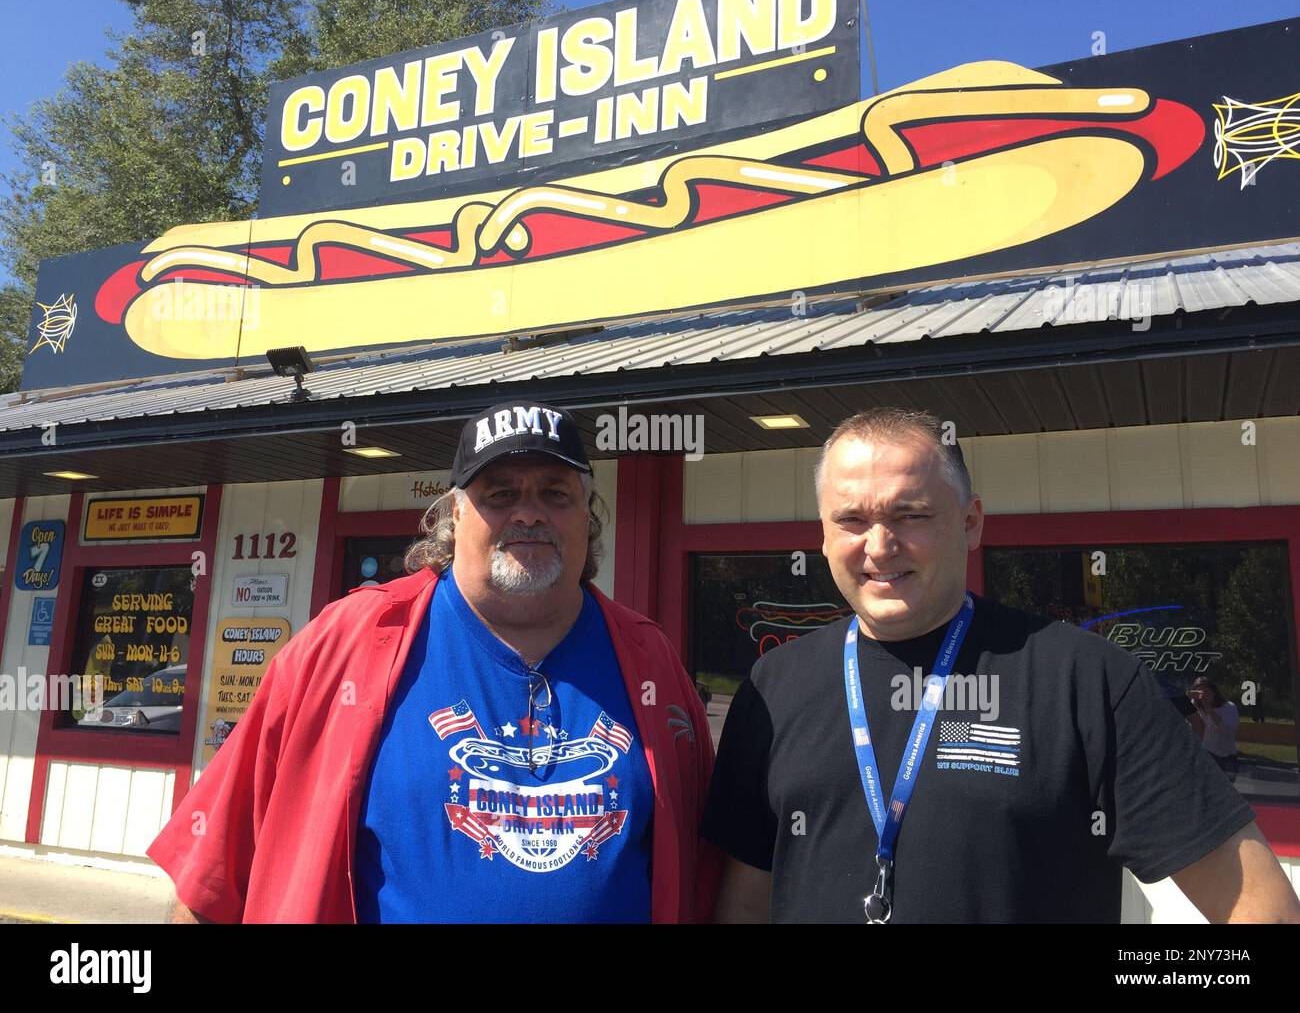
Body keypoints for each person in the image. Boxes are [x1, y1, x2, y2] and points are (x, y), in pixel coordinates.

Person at [702, 406, 1300, 924]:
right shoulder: (773, 688)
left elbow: (1263, 908)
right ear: (824, 536)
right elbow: (746, 905)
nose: (879, 546)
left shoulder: (1086, 680)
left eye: (910, 515)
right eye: (851, 520)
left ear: (970, 522)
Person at [150, 400, 717, 923]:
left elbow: (708, 869)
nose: (529, 514)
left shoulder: (649, 659)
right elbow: (212, 876)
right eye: (499, 494)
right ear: (454, 516)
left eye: (555, 493)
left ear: (585, 517)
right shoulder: (344, 642)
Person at [1188, 676, 1240, 781]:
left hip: (1227, 757)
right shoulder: (1196, 708)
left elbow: (1228, 731)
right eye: (1199, 692)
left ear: (1214, 692)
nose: (1203, 696)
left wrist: (1209, 708)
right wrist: (1186, 701)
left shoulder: (1228, 707)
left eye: (1206, 691)